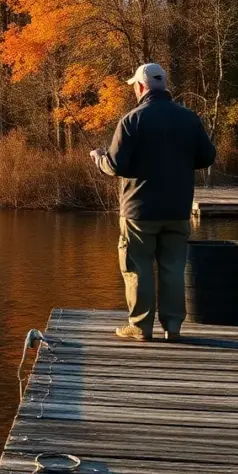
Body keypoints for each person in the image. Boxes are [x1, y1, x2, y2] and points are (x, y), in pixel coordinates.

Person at [90, 63, 216, 342]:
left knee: (138, 267)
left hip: (139, 210)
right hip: (178, 208)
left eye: (134, 85)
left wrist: (99, 158)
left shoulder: (132, 120)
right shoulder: (189, 118)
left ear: (140, 87)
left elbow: (115, 165)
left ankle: (141, 326)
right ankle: (173, 327)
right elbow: (207, 157)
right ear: (163, 86)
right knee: (173, 268)